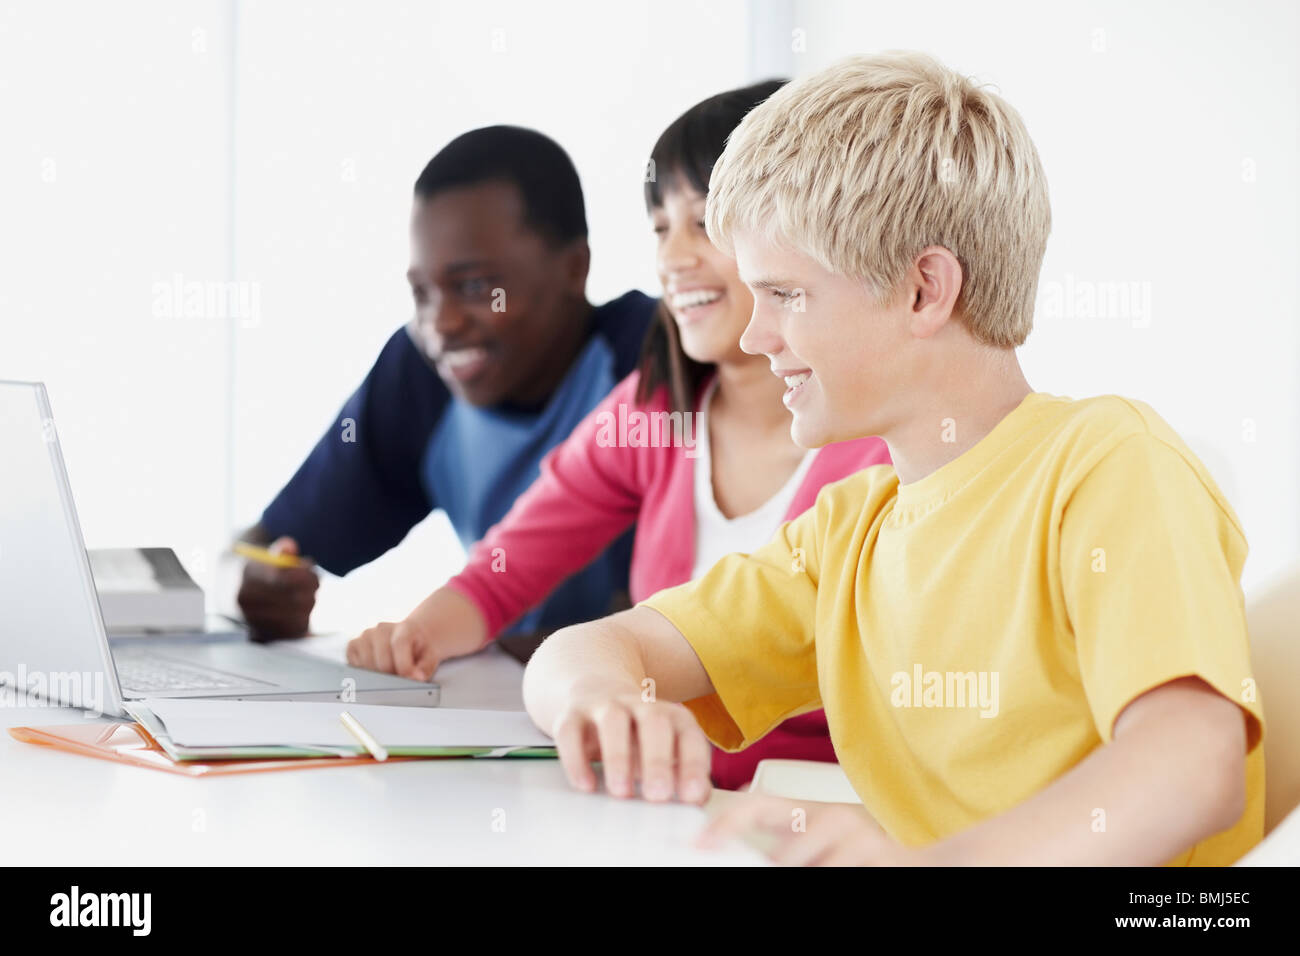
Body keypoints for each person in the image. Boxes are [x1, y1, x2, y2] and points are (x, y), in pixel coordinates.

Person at [522, 52, 1265, 866]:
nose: (752, 336)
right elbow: (590, 650)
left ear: (923, 291)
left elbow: (1194, 768)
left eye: (785, 295)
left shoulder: (1110, 465)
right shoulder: (845, 533)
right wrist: (600, 698)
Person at [345, 81, 891, 790]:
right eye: (662, 227)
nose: (674, 258)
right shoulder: (656, 409)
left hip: (821, 821)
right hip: (663, 804)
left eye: (707, 223)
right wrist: (419, 635)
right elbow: (514, 561)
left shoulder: (888, 443)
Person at [236, 126, 655, 640]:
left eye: (476, 287)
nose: (441, 324)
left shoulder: (657, 357)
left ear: (575, 268)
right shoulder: (420, 373)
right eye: (422, 293)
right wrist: (255, 587)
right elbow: (260, 549)